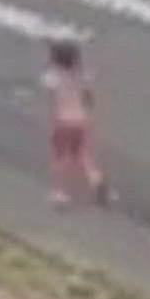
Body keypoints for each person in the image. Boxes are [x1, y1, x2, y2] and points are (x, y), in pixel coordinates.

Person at [41, 38, 110, 208]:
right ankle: (96, 180)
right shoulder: (83, 75)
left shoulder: (52, 77)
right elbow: (89, 97)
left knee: (61, 157)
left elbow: (52, 97)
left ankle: (60, 193)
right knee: (83, 154)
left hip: (63, 120)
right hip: (81, 119)